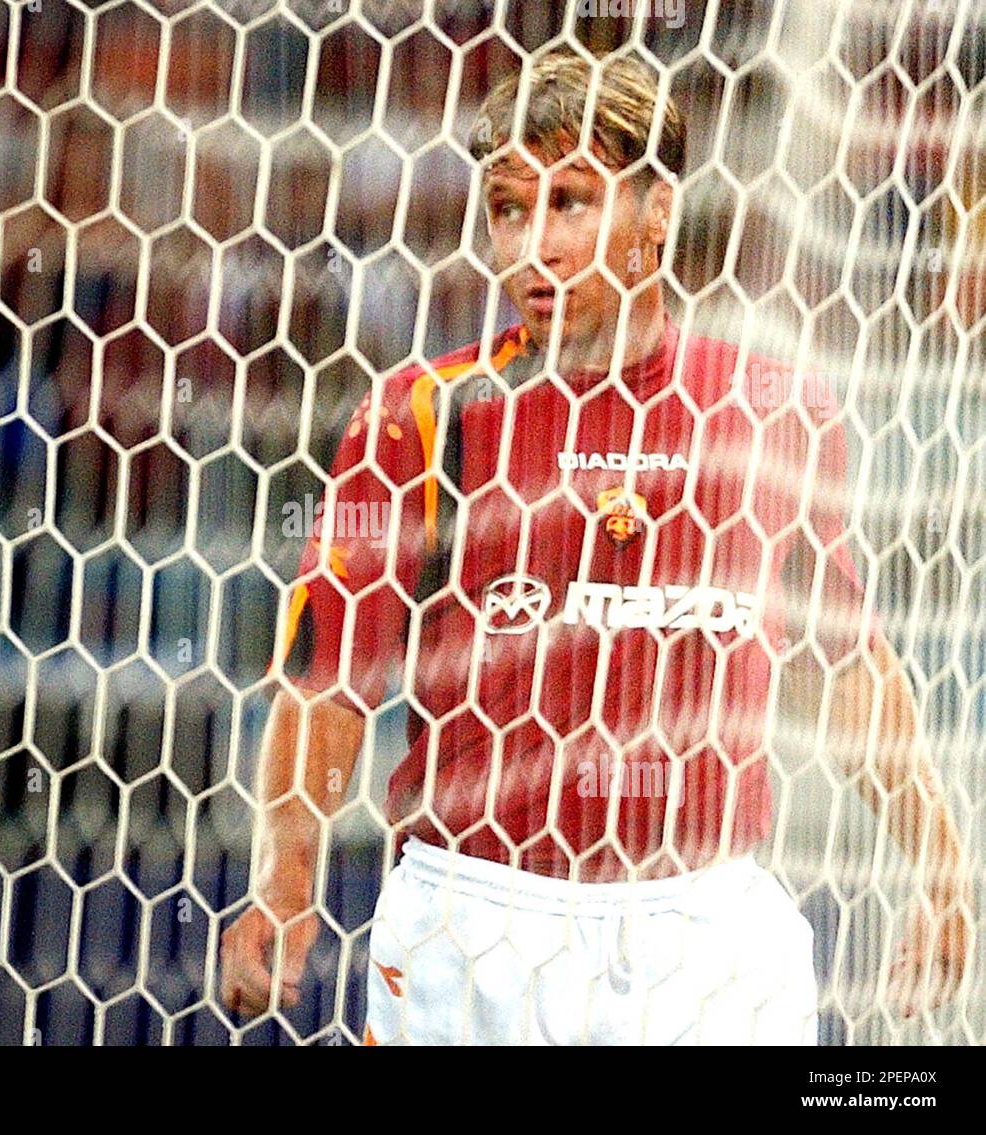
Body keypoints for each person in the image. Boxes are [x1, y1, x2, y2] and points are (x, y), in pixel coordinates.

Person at [219, 48, 969, 1045]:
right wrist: (285, 874)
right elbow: (328, 675)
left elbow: (844, 662)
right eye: (507, 208)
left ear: (656, 210)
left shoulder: (772, 408)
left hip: (706, 928)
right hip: (475, 918)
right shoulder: (423, 414)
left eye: (570, 202)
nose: (534, 246)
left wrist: (939, 862)